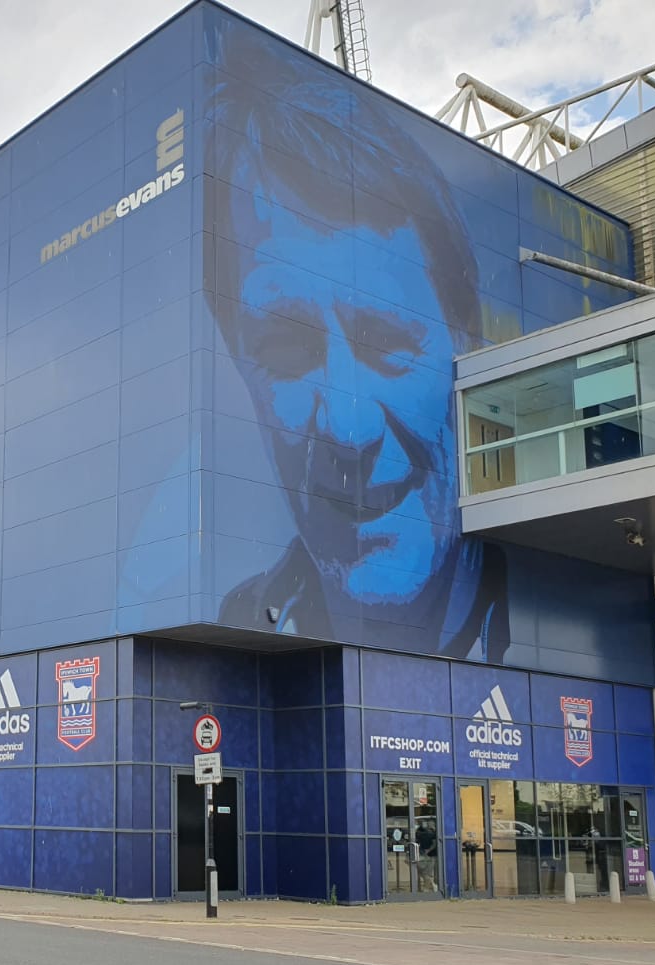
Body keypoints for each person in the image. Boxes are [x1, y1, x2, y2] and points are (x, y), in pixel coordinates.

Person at [205, 24, 509, 660]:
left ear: (467, 348)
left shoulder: (550, 621)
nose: (348, 428)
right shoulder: (233, 627)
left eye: (386, 343)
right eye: (288, 352)